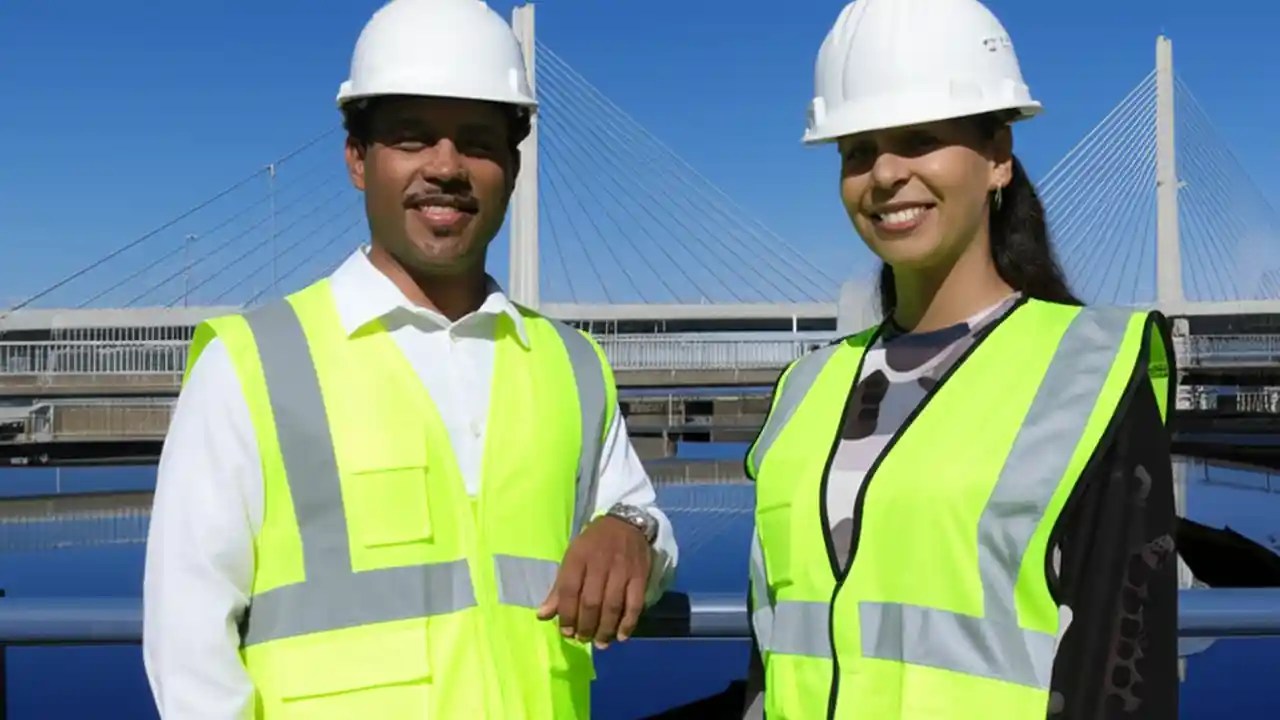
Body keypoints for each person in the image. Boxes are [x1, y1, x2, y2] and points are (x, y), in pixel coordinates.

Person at [141, 1, 678, 717]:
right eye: (411, 137)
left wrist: (631, 532)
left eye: (478, 142)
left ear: (514, 167)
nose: (447, 167)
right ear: (357, 159)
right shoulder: (252, 366)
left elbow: (642, 521)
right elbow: (189, 653)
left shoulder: (570, 365)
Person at [741, 0, 1178, 718]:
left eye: (919, 139)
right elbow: (770, 655)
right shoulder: (804, 390)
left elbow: (1124, 678)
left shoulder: (1088, 371)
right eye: (857, 149)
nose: (883, 174)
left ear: (999, 156)